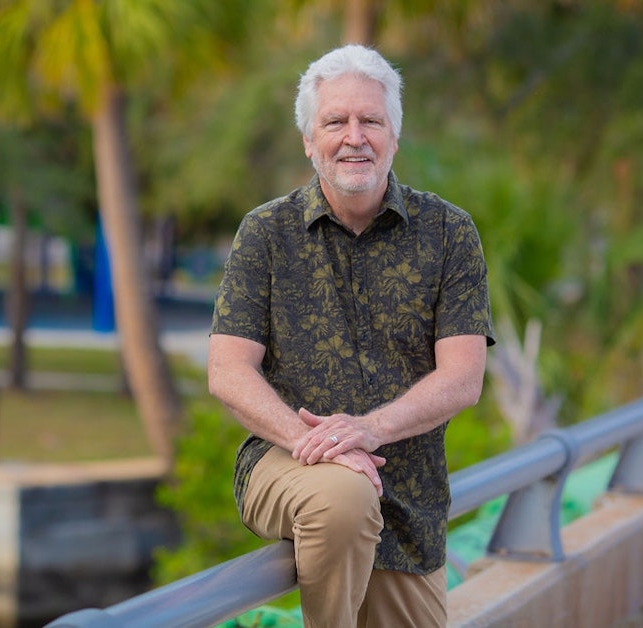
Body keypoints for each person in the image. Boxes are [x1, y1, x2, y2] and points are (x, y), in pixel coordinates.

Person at [208, 44, 495, 627]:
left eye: (371, 120)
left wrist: (367, 429)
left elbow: (463, 377)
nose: (354, 136)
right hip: (282, 460)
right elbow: (227, 370)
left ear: (395, 136)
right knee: (343, 497)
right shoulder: (265, 233)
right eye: (335, 121)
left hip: (409, 500)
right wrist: (307, 439)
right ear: (309, 141)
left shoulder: (449, 232)